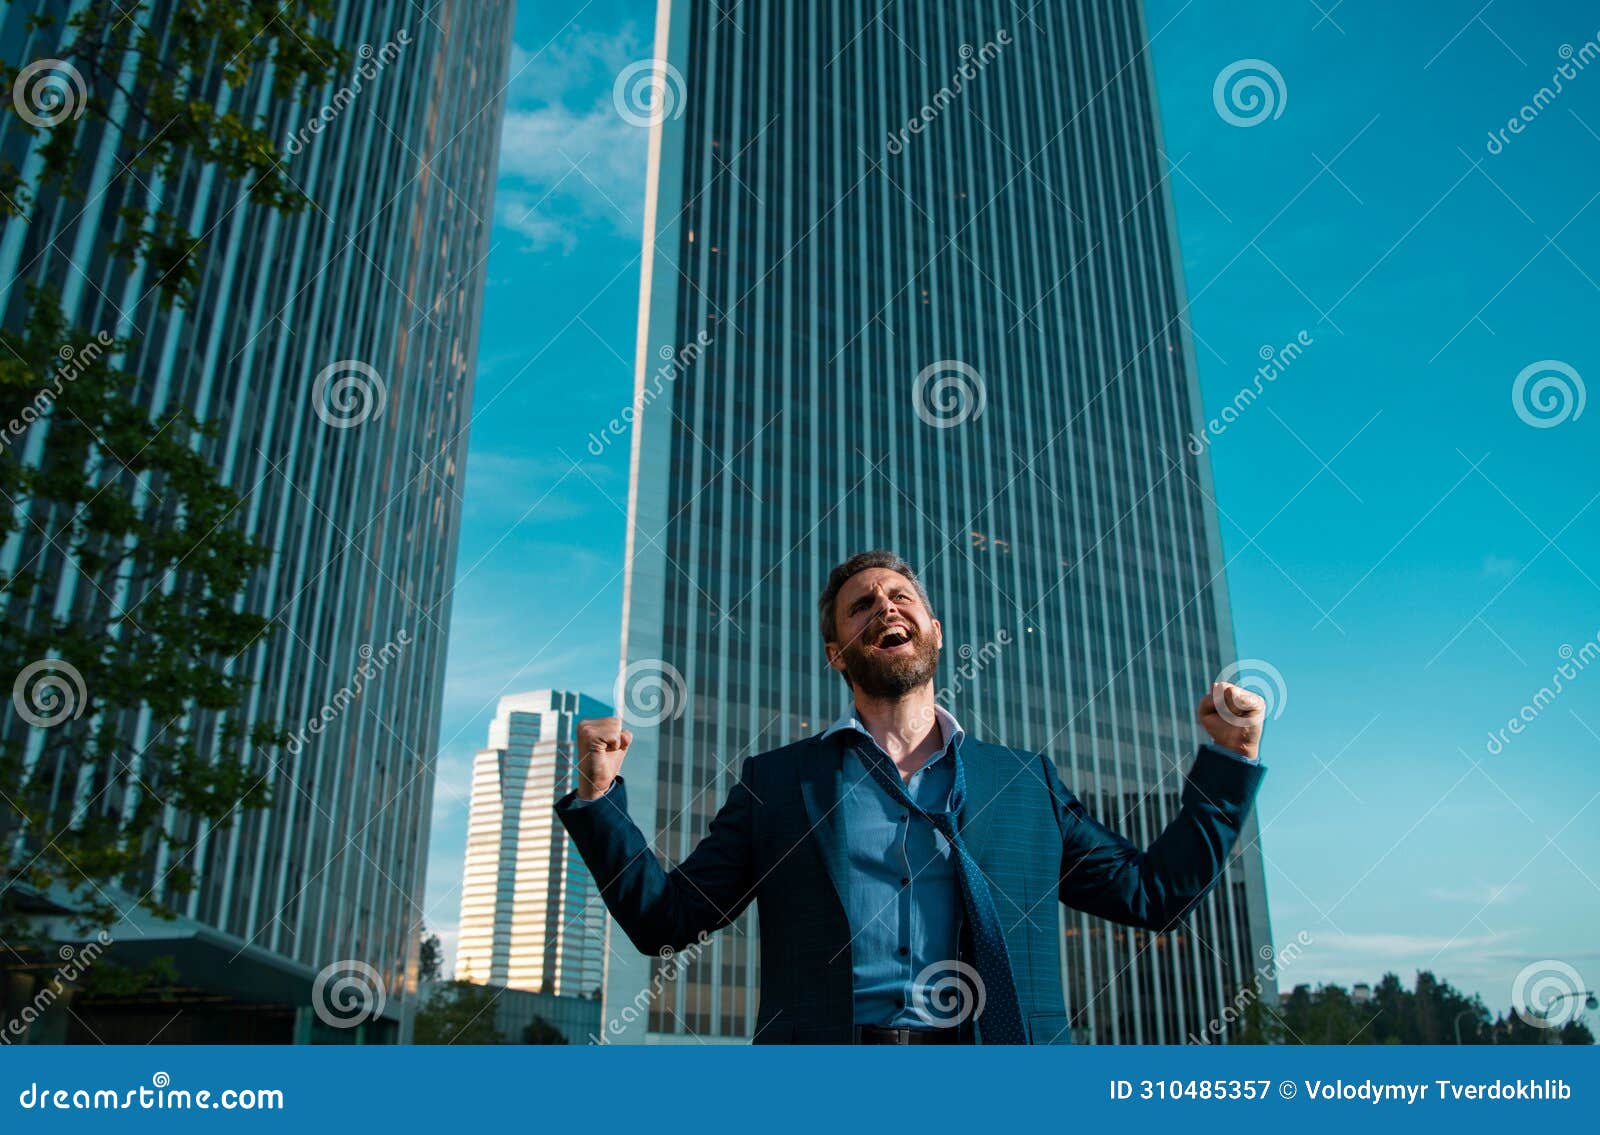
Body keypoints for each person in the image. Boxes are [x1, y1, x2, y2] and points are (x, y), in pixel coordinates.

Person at [557, 549, 1267, 1044]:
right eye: (861, 607)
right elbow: (667, 918)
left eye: (901, 598)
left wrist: (1230, 760)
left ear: (934, 631)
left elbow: (1152, 894)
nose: (885, 608)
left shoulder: (1025, 783)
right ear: (836, 653)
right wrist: (599, 795)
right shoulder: (778, 784)